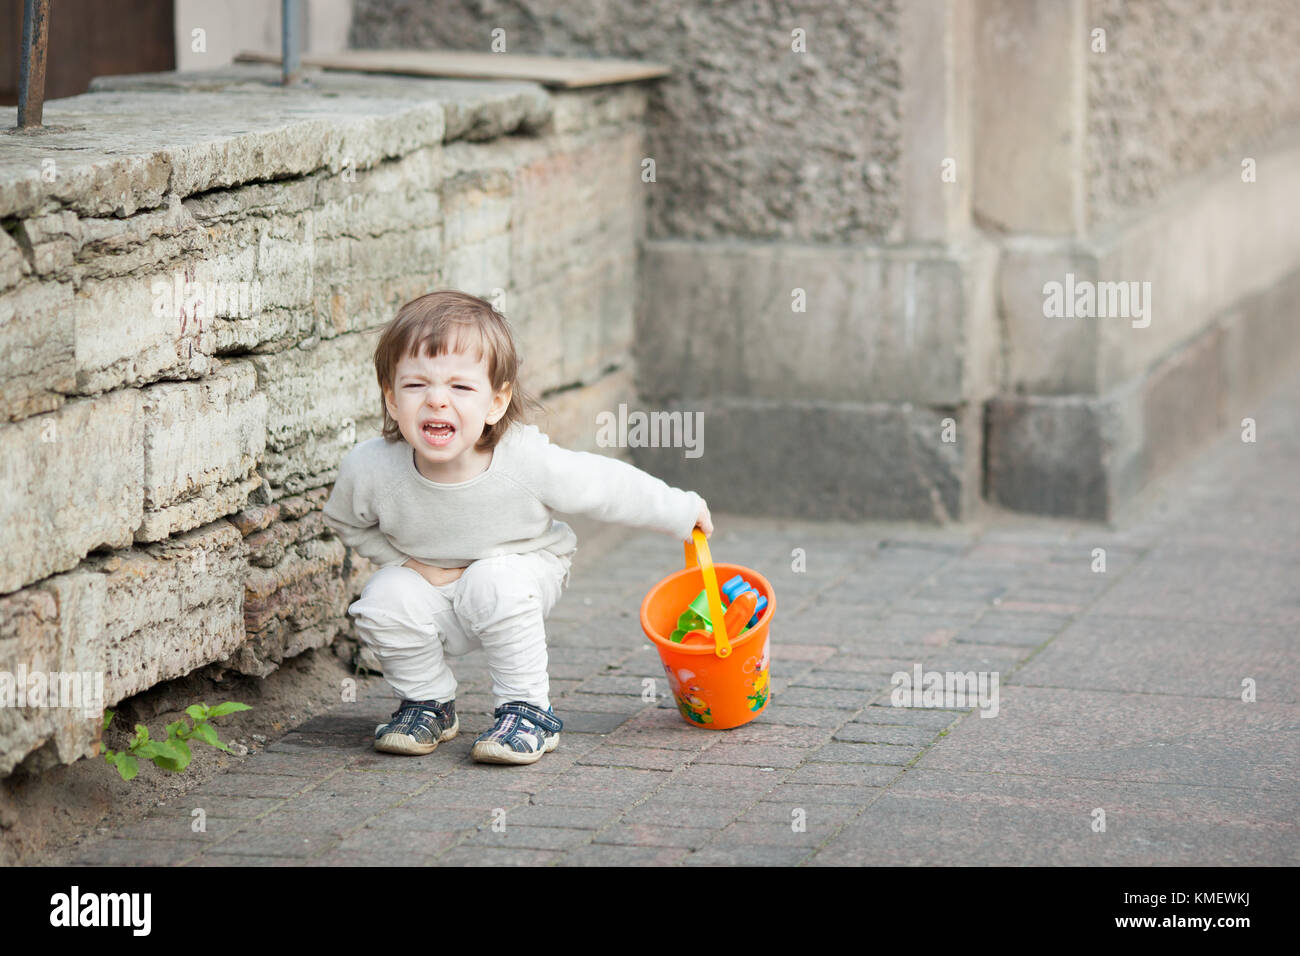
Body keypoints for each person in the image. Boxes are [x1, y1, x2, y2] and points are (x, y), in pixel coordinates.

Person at [321, 290, 713, 764]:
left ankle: (528, 709)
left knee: (493, 579)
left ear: (496, 402)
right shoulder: (371, 469)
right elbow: (345, 522)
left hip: (523, 571)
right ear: (391, 397)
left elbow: (606, 485)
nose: (437, 401)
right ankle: (428, 704)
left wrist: (680, 510)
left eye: (461, 388)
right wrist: (405, 563)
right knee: (382, 598)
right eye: (415, 386)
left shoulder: (525, 460)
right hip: (433, 582)